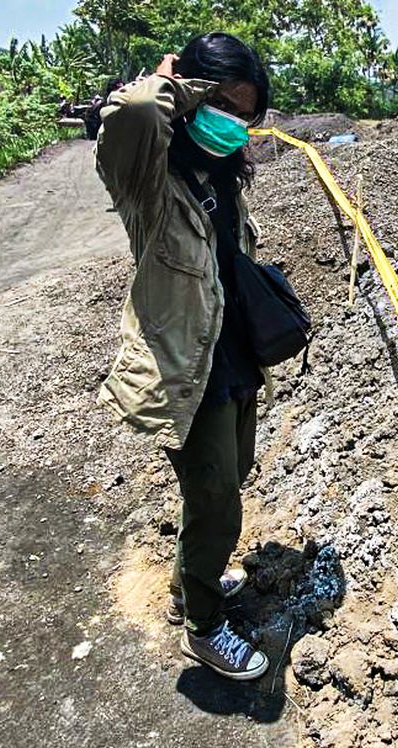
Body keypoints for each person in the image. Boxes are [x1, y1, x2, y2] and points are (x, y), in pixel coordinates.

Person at [96, 32, 273, 681]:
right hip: (182, 366)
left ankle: (190, 576)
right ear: (191, 94)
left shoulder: (224, 174)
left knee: (232, 475)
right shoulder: (147, 172)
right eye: (220, 104)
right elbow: (137, 110)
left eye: (245, 114)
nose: (235, 123)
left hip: (230, 352)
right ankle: (202, 624)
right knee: (216, 498)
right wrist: (171, 79)